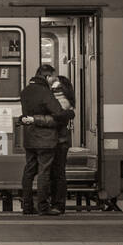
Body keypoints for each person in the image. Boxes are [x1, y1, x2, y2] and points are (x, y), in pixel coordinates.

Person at [19, 64, 73, 216]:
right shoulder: (45, 93)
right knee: (44, 172)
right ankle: (43, 207)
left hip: (29, 138)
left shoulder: (25, 91)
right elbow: (58, 113)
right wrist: (69, 114)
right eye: (52, 78)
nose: (53, 82)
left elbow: (27, 114)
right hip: (45, 139)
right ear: (47, 76)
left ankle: (27, 206)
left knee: (29, 171)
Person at [47, 73, 75, 212]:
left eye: (56, 85)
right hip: (60, 141)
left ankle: (58, 204)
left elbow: (56, 116)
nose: (53, 88)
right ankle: (57, 203)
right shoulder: (66, 101)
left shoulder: (62, 102)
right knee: (57, 172)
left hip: (59, 141)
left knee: (57, 173)